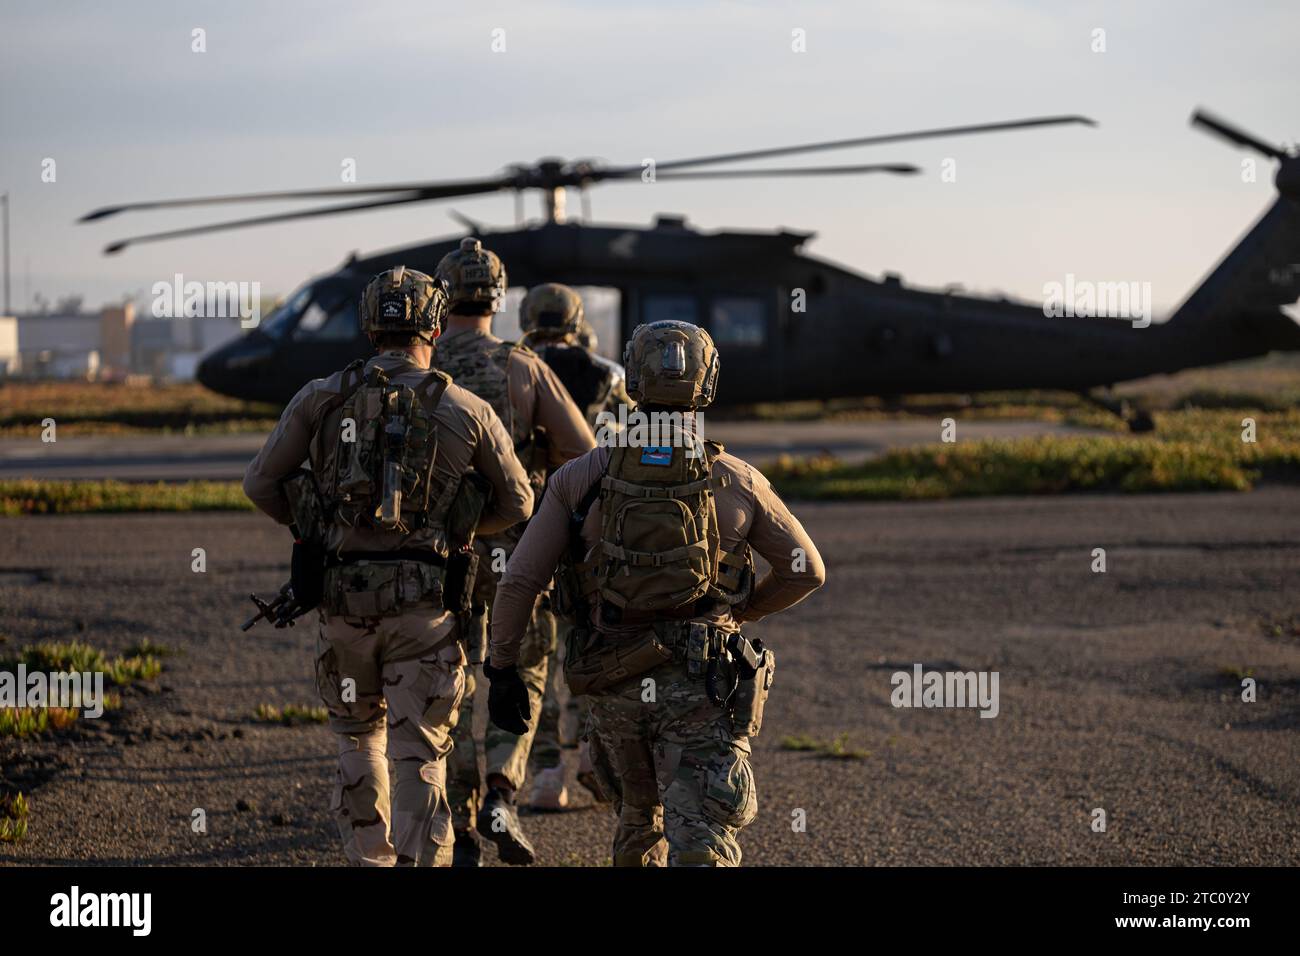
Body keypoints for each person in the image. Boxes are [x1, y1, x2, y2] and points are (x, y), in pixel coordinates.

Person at [486, 319, 826, 866]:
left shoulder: (580, 476)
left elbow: (521, 580)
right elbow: (806, 570)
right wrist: (742, 612)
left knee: (637, 824)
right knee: (700, 836)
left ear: (633, 381)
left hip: (612, 679)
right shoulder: (737, 478)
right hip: (703, 684)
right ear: (707, 385)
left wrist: (503, 668)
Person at [242, 266, 532, 866]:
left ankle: (370, 858)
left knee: (357, 739)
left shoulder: (321, 397)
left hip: (343, 606)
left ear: (370, 325)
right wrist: (453, 531)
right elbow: (518, 502)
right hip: (426, 611)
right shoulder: (466, 407)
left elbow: (261, 484)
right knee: (419, 754)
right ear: (436, 326)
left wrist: (316, 528)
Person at [432, 238, 596, 865]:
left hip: (437, 554)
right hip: (515, 554)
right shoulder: (521, 366)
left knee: (448, 682)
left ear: (442, 299)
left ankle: (458, 817)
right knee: (519, 669)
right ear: (498, 301)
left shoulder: (421, 365)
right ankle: (502, 791)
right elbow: (583, 452)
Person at [516, 282, 634, 811]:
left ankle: (546, 774)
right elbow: (629, 450)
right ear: (576, 321)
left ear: (526, 320)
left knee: (533, 657)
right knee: (588, 646)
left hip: (526, 533)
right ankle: (590, 751)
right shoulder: (609, 375)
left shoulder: (513, 370)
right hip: (593, 534)